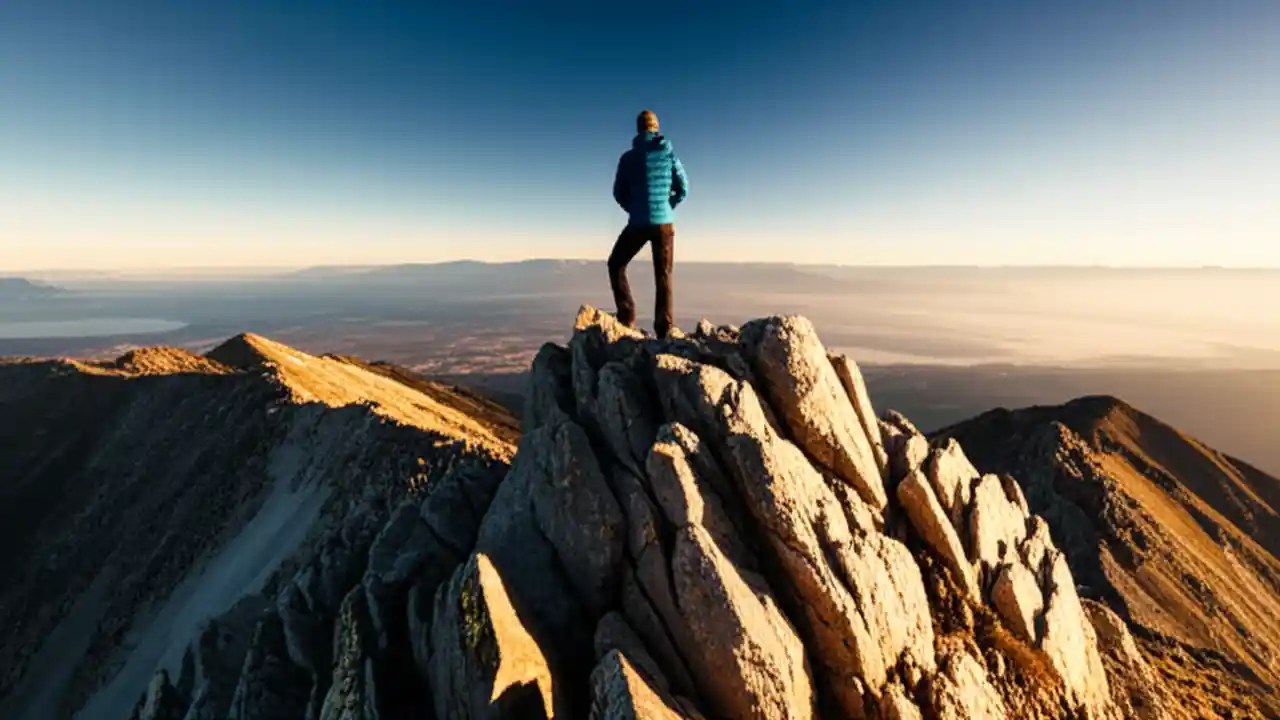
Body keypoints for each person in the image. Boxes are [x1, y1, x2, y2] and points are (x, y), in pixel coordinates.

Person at [609, 109, 689, 338]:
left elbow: (618, 193)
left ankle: (626, 315)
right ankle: (664, 330)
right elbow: (683, 188)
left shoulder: (628, 158)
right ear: (656, 128)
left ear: (638, 129)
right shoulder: (669, 154)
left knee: (616, 264)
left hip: (638, 223)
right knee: (663, 275)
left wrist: (635, 209)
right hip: (664, 225)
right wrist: (667, 206)